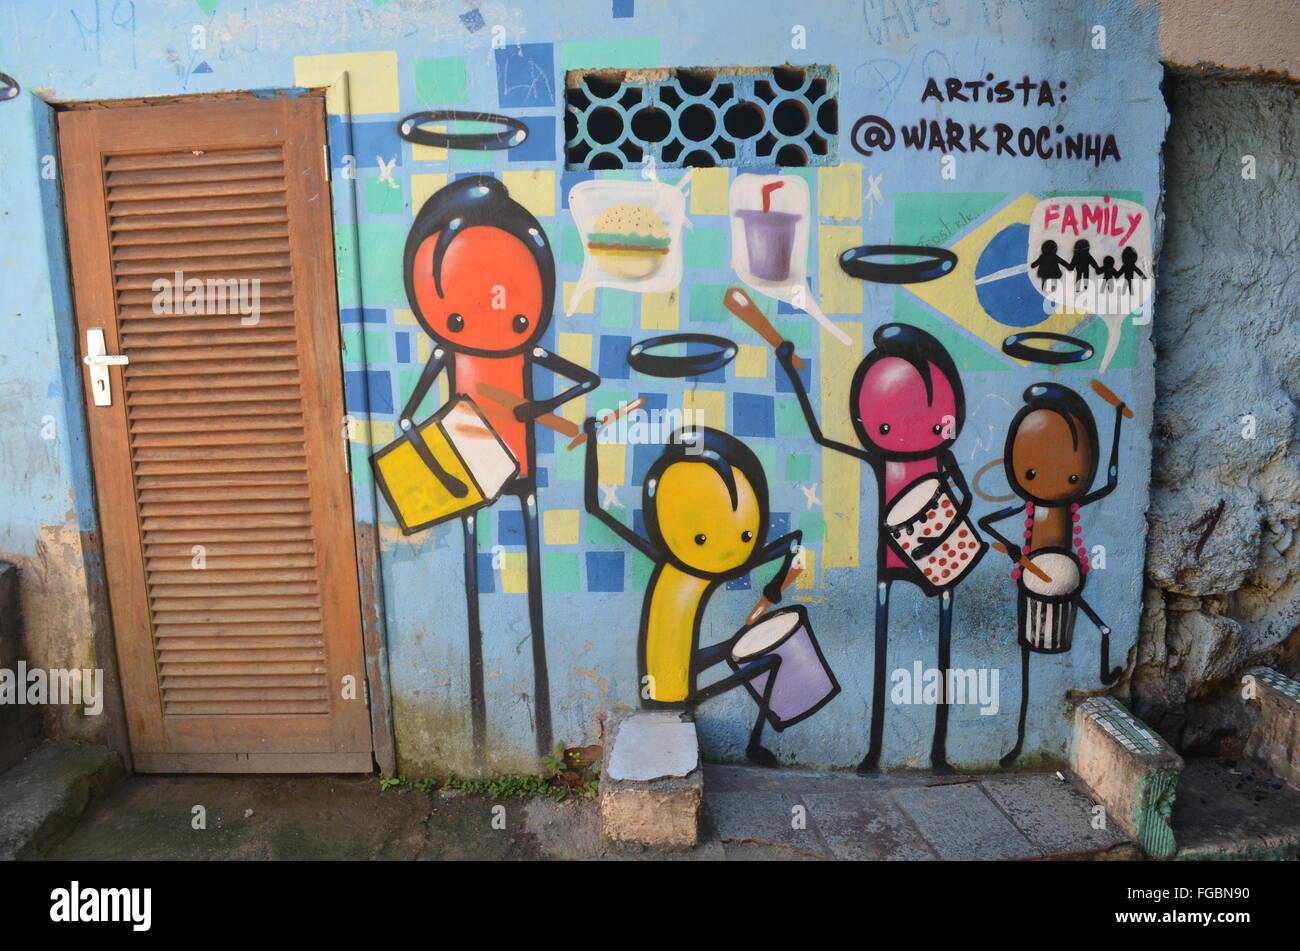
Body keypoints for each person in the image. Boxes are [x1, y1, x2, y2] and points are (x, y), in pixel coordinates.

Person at [392, 175, 599, 764]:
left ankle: (537, 729)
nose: (488, 324)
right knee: (476, 593)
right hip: (468, 475)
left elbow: (584, 380)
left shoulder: (526, 352)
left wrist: (540, 408)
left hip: (521, 471)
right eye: (456, 318)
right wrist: (437, 465)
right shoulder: (447, 357)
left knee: (531, 586)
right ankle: (481, 727)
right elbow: (408, 419)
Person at [777, 324, 984, 773]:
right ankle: (874, 748)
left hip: (939, 557)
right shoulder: (882, 459)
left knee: (942, 655)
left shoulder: (941, 458)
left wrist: (942, 526)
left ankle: (937, 750)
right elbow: (820, 437)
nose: (909, 432)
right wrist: (792, 374)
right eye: (886, 423)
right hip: (891, 559)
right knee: (883, 650)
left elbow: (963, 497)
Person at [583, 420, 803, 766]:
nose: (729, 550)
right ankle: (754, 744)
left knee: (767, 653)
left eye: (746, 535)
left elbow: (793, 545)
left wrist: (773, 591)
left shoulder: (704, 567)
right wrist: (593, 441)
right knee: (770, 659)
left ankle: (755, 744)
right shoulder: (673, 560)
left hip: (685, 671)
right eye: (701, 538)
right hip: (667, 690)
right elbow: (596, 506)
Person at [978, 382, 1126, 766]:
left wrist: (1118, 420)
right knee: (1027, 653)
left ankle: (1104, 673)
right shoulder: (1029, 508)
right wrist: (1014, 552)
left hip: (1066, 578)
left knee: (1104, 629)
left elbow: (1110, 481)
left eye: (1073, 476)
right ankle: (1022, 737)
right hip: (1034, 580)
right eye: (1029, 470)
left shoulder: (1069, 507)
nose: (1052, 481)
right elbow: (987, 521)